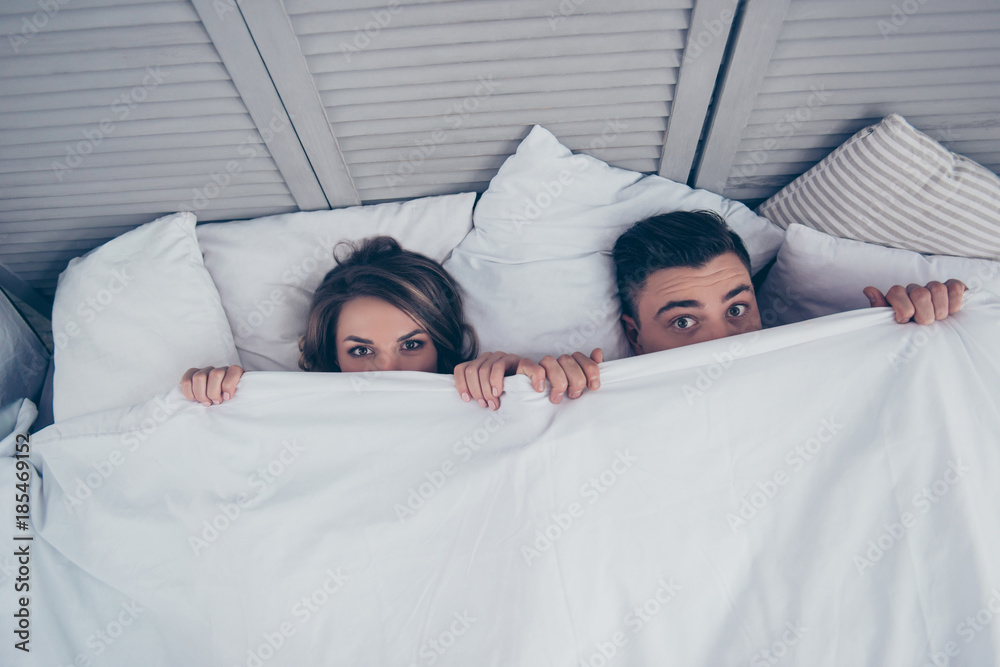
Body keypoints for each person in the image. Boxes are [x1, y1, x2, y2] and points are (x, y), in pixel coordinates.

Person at [181, 235, 596, 410]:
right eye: (361, 351)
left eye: (412, 345)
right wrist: (217, 400)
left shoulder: (489, 394)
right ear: (332, 357)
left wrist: (529, 384)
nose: (388, 372)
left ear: (442, 344)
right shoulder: (299, 411)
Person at [612, 210, 967, 355]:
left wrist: (897, 337)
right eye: (683, 321)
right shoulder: (600, 405)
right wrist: (559, 386)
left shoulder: (818, 364)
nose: (724, 343)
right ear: (634, 336)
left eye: (736, 309)